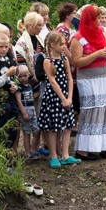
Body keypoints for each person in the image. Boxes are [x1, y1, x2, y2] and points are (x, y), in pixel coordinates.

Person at [71, 5, 106, 160]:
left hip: (104, 76)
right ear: (89, 19)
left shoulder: (100, 32)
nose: (100, 20)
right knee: (91, 111)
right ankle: (84, 149)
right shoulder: (77, 38)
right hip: (88, 78)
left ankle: (103, 145)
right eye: (97, 18)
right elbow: (77, 61)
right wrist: (97, 54)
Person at [38, 31, 79, 168]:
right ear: (52, 45)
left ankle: (66, 155)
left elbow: (69, 78)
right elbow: (52, 81)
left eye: (64, 43)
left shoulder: (64, 59)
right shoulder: (47, 61)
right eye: (61, 44)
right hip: (54, 97)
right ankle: (53, 155)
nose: (63, 46)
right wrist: (62, 98)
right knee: (53, 127)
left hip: (66, 96)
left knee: (67, 126)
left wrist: (70, 97)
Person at [14, 66, 42, 158]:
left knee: (37, 130)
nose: (23, 78)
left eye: (25, 76)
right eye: (20, 76)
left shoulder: (29, 86)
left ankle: (34, 148)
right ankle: (28, 152)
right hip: (25, 111)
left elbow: (32, 98)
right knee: (27, 132)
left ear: (29, 75)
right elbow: (18, 101)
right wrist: (24, 113)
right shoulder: (19, 88)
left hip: (32, 110)